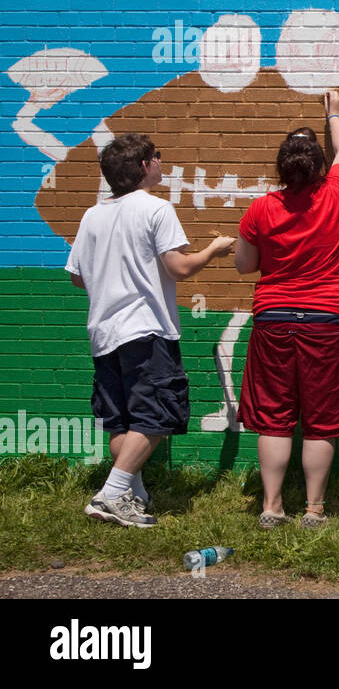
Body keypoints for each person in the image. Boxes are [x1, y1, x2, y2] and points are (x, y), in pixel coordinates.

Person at [67, 134, 235, 527]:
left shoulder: (93, 214)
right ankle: (111, 494)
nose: (161, 163)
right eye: (157, 157)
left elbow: (78, 278)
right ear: (143, 166)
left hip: (104, 332)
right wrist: (215, 250)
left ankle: (132, 494)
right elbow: (179, 268)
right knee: (158, 415)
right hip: (146, 328)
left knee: (122, 419)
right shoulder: (156, 209)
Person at [234, 91, 339, 529]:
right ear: (319, 167)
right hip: (330, 319)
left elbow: (245, 265)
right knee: (323, 419)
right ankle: (314, 508)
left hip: (274, 320)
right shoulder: (336, 193)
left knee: (273, 416)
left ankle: (271, 507)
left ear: (281, 168)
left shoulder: (259, 208)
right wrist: (333, 113)